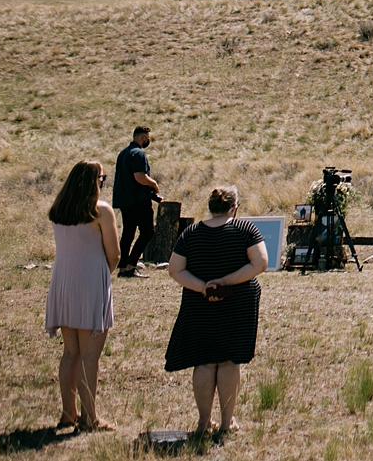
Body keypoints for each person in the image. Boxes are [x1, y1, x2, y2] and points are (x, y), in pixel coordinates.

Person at [165, 185, 268, 436]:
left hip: (199, 304)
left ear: (211, 207)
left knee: (204, 362)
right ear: (234, 207)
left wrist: (204, 287)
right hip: (238, 302)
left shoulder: (191, 233)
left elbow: (175, 269)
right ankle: (226, 421)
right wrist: (225, 282)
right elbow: (260, 263)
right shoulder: (245, 229)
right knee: (229, 362)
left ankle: (203, 422)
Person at [46, 160, 118, 433]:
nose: (103, 183)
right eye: (101, 178)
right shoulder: (100, 210)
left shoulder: (61, 209)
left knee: (70, 352)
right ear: (93, 181)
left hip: (63, 282)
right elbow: (114, 254)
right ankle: (89, 418)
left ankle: (68, 413)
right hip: (90, 284)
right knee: (90, 355)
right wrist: (103, 274)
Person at [112, 126, 160, 277]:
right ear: (143, 138)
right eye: (148, 138)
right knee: (147, 231)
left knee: (128, 233)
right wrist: (153, 184)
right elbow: (139, 177)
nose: (148, 141)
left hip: (124, 199)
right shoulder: (138, 153)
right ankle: (131, 266)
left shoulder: (123, 153)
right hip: (138, 200)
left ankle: (122, 267)